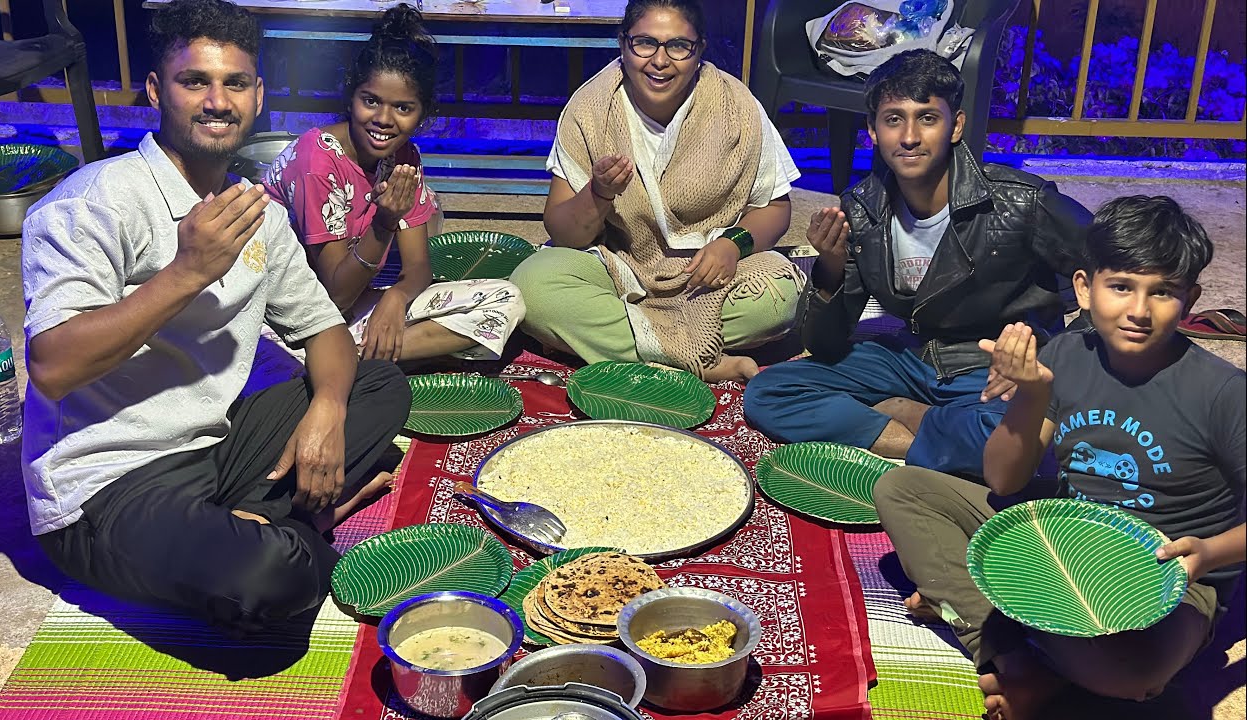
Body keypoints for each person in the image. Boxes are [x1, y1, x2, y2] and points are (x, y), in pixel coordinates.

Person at [20, 0, 411, 634]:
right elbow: (53, 368)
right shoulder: (94, 201)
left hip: (213, 446)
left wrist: (328, 412)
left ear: (257, 96)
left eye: (234, 84)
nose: (217, 102)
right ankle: (303, 526)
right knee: (276, 580)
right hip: (108, 483)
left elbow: (327, 331)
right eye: (194, 81)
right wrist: (186, 273)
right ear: (155, 91)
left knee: (379, 385)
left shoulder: (256, 211)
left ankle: (255, 518)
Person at [873, 195, 1245, 719]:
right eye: (1121, 286)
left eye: (1162, 292)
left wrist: (1209, 553)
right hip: (1060, 540)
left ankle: (997, 635)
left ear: (1191, 299)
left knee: (1131, 670)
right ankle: (1018, 651)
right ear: (1084, 289)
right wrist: (1031, 396)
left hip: (1166, 579)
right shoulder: (1068, 355)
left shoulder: (1225, 392)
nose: (1139, 311)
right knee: (902, 489)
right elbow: (1004, 480)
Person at [743, 49, 1093, 477]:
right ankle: (920, 439)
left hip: (991, 367)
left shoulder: (1021, 201)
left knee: (1032, 446)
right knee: (770, 391)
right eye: (893, 119)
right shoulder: (863, 208)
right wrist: (831, 270)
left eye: (927, 118)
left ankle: (911, 417)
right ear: (872, 130)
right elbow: (826, 345)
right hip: (912, 358)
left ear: (955, 126)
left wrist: (1050, 361)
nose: (909, 136)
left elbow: (1118, 272)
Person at [508, 0, 805, 383]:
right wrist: (598, 193)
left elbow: (775, 208)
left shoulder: (737, 106)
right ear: (622, 44)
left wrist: (734, 244)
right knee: (532, 287)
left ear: (699, 50)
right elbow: (564, 233)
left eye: (679, 46)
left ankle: (627, 341)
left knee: (778, 301)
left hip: (709, 274)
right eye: (645, 43)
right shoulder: (591, 108)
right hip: (618, 267)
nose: (660, 61)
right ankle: (694, 357)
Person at [263, 4, 525, 365]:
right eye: (371, 101)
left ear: (422, 113)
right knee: (268, 355)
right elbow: (336, 293)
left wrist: (396, 298)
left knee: (505, 300)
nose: (384, 120)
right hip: (288, 314)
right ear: (351, 98)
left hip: (354, 307)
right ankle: (344, 362)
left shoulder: (404, 158)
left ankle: (349, 361)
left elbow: (419, 268)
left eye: (403, 108)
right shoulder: (316, 161)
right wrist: (384, 223)